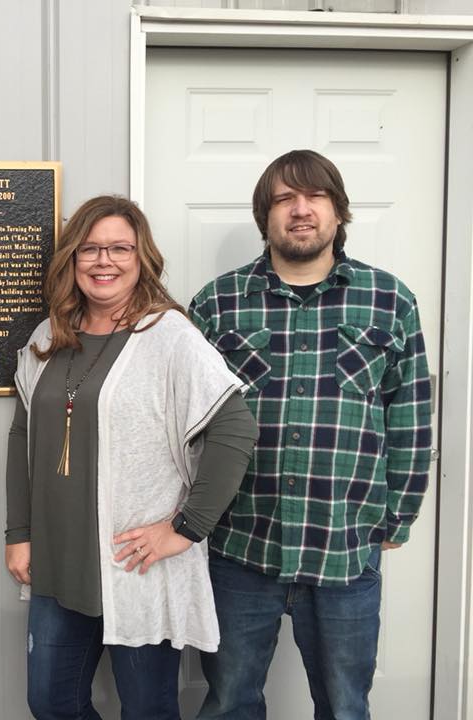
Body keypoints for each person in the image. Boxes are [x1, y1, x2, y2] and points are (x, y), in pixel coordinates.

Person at [190, 150, 433, 720]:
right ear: (265, 216)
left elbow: (411, 414)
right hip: (239, 545)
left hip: (345, 548)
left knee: (345, 706)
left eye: (315, 197)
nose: (300, 211)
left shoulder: (389, 300)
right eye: (283, 199)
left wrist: (397, 514)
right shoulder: (217, 304)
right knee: (229, 702)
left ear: (337, 211)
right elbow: (189, 425)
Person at [4, 195, 259, 719]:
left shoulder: (168, 337)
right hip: (58, 559)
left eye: (120, 248)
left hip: (134, 562)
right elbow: (22, 435)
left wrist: (187, 529)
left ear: (141, 258)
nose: (104, 261)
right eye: (90, 249)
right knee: (51, 701)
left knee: (147, 710)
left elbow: (235, 429)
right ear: (71, 260)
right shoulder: (48, 338)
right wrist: (19, 533)